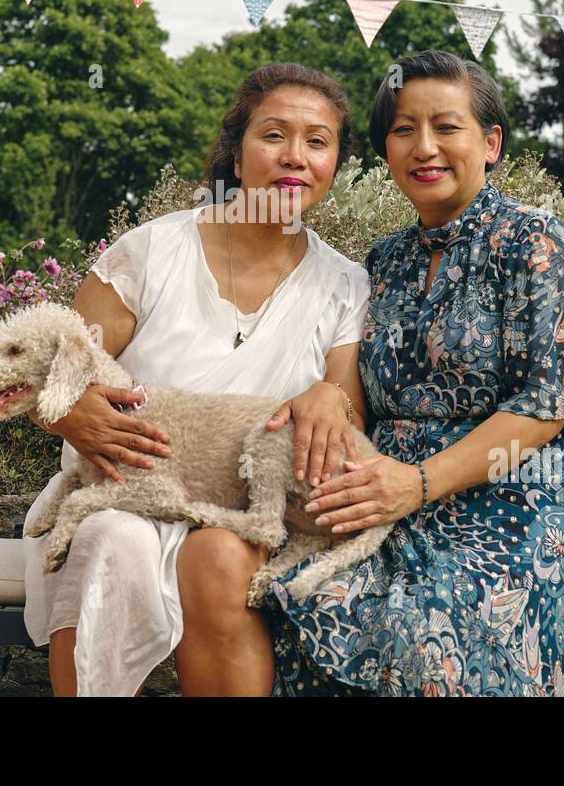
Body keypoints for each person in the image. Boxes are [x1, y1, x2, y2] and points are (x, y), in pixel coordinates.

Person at [261, 49, 564, 696]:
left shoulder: (537, 244)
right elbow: (355, 391)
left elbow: (546, 405)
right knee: (304, 596)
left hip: (532, 487)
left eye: (447, 126)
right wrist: (327, 397)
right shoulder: (383, 262)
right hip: (391, 493)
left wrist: (416, 482)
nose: (424, 146)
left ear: (490, 143)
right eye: (404, 129)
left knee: (440, 619)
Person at [22, 62, 371, 696]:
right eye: (273, 135)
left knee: (222, 557)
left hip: (248, 506)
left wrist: (330, 397)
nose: (295, 157)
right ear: (236, 158)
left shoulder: (345, 284)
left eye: (317, 142)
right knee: (105, 536)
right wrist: (70, 413)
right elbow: (54, 370)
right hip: (131, 489)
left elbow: (345, 420)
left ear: (334, 167)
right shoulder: (152, 252)